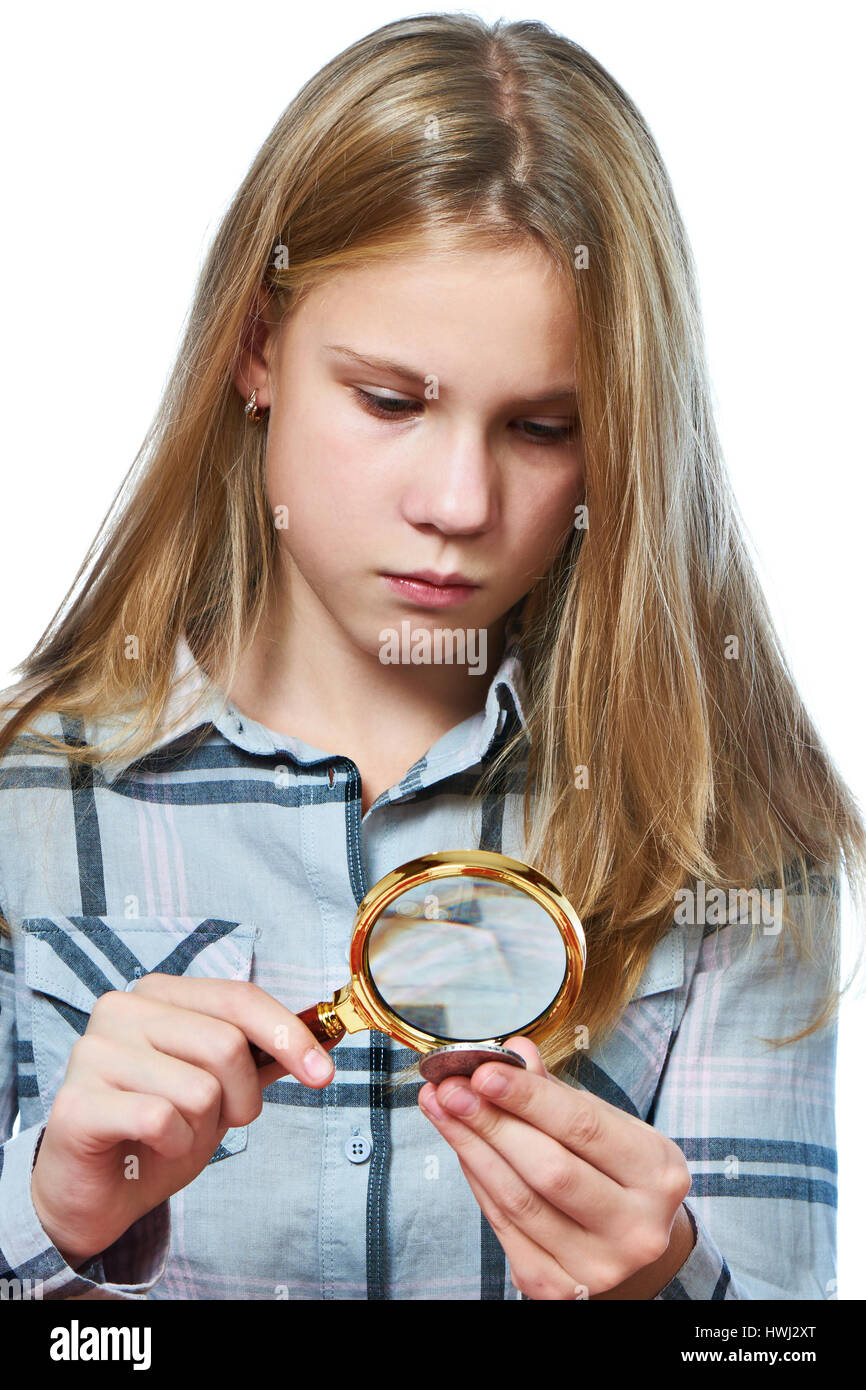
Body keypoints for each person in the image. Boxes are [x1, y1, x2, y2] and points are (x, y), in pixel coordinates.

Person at [0, 12, 862, 1302]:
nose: (459, 502)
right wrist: (47, 1216)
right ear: (255, 349)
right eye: (392, 402)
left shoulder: (733, 838)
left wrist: (668, 1297)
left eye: (541, 426)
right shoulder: (25, 796)